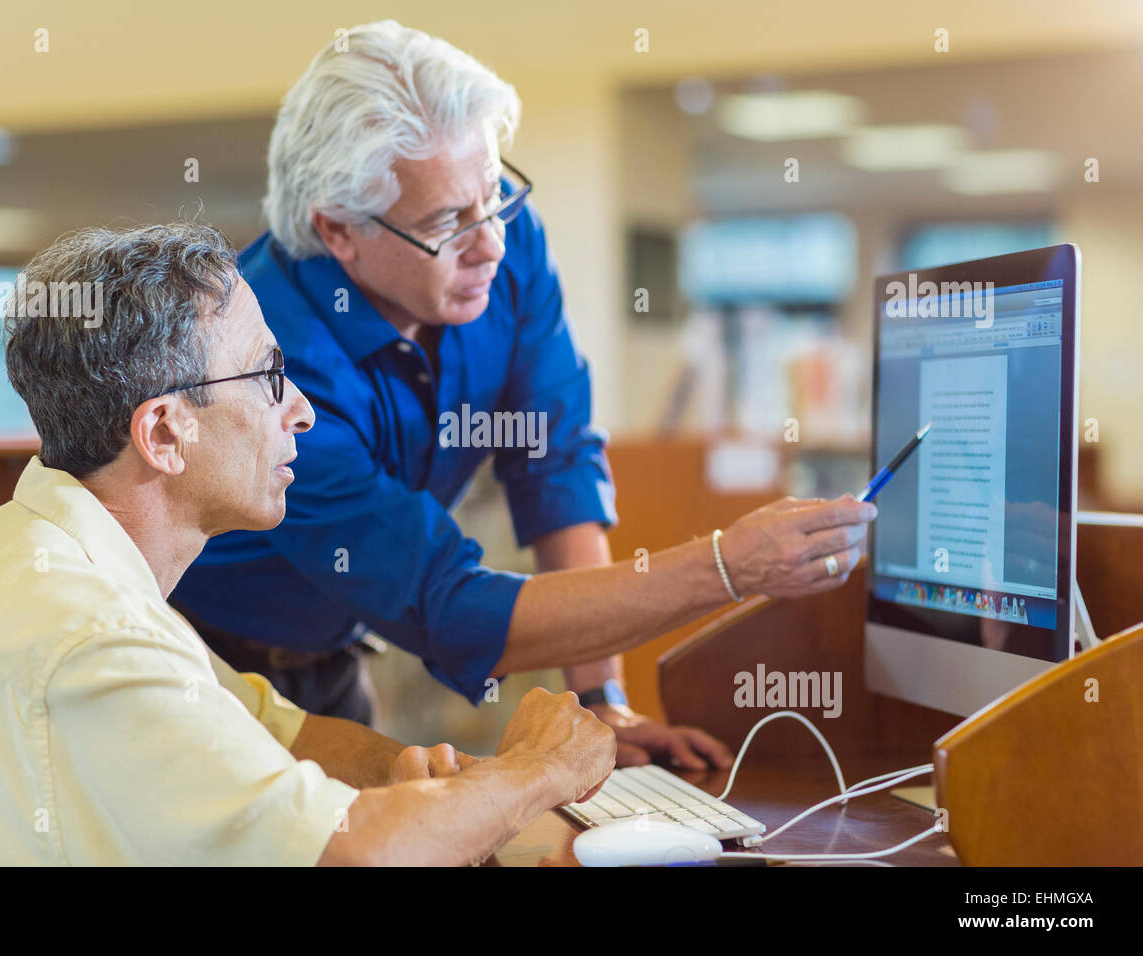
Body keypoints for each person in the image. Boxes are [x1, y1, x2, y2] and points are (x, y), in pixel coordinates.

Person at [171, 20, 876, 771]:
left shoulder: (504, 239)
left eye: (494, 195)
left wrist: (601, 699)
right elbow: (448, 605)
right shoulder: (270, 360)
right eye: (449, 220)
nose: (493, 244)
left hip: (338, 655)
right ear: (339, 231)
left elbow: (553, 461)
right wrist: (729, 565)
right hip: (207, 667)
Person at [0, 223, 615, 865]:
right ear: (164, 433)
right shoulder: (91, 637)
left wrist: (413, 775)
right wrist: (541, 769)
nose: (303, 413)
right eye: (268, 376)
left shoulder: (25, 554)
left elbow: (275, 728)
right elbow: (356, 857)